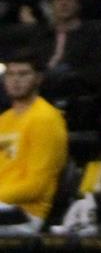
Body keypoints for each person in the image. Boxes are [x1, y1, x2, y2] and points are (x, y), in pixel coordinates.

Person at [0, 52, 66, 233]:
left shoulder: (45, 119)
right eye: (11, 74)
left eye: (23, 74)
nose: (15, 80)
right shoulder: (4, 120)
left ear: (38, 78)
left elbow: (36, 186)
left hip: (26, 212)